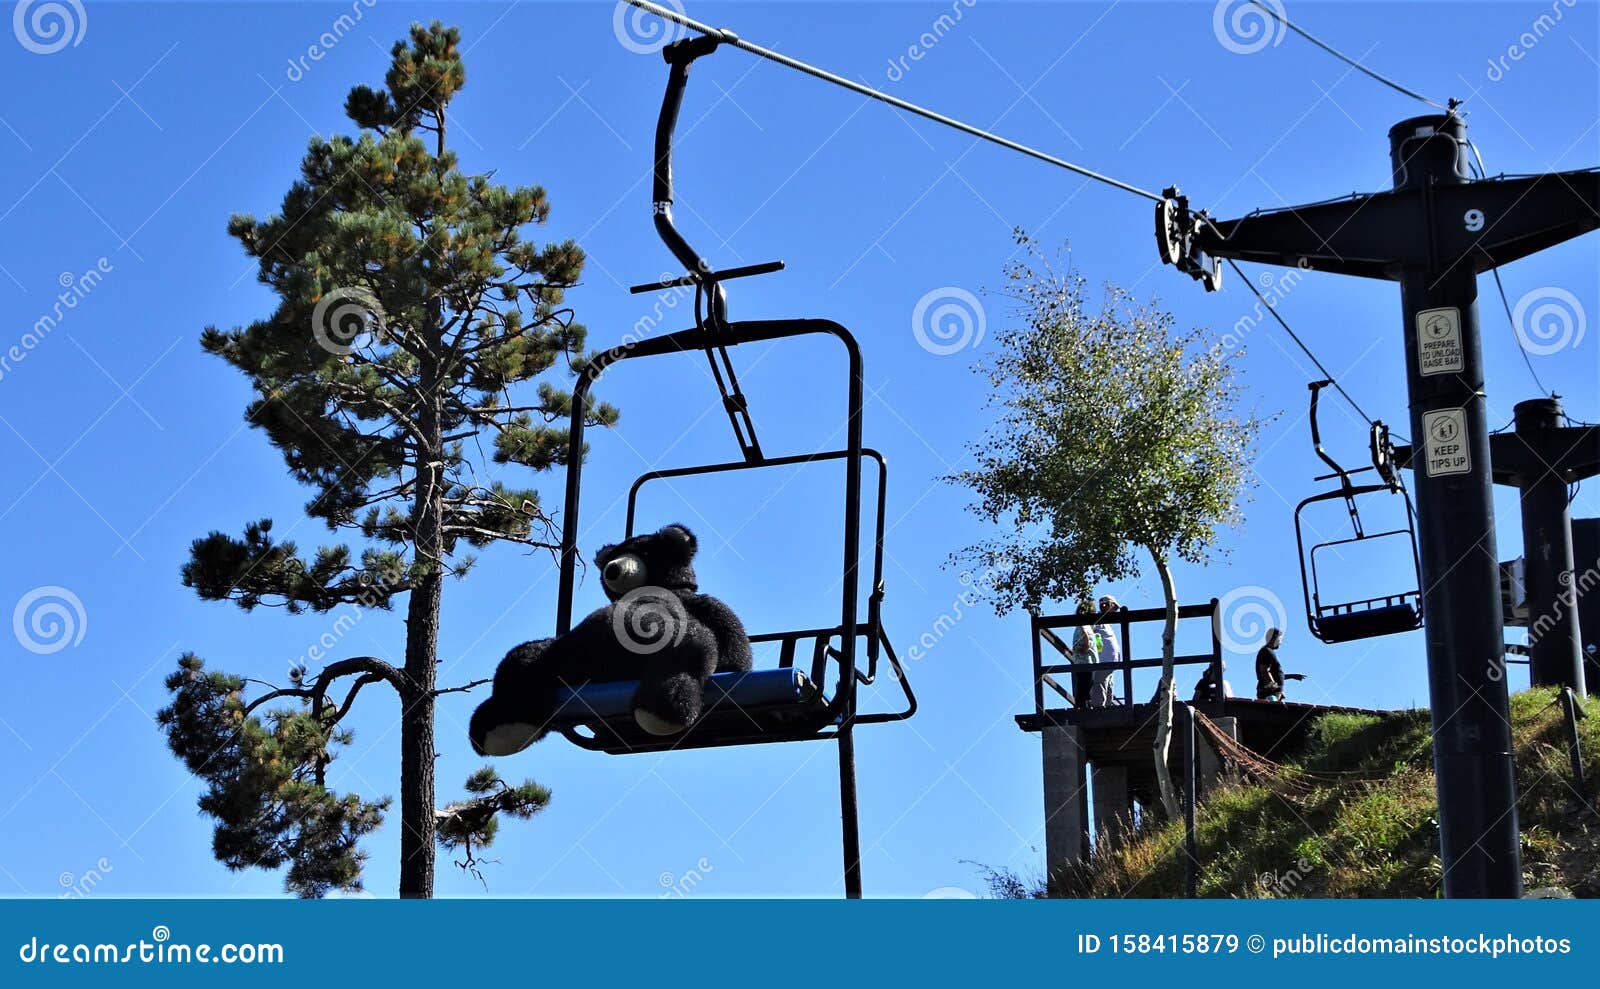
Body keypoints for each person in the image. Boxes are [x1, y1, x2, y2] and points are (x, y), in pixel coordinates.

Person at [1085, 594, 1122, 707]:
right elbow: (1092, 635)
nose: (1115, 610)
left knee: (1107, 683)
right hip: (1104, 658)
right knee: (1100, 682)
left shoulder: (1105, 622)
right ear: (1107, 605)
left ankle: (1107, 706)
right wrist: (1097, 649)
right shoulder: (1097, 619)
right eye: (1114, 607)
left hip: (1109, 659)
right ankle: (1099, 708)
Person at [1254, 627, 1305, 701]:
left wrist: (1292, 676)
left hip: (1270, 693)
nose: (1280, 642)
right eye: (1280, 639)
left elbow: (1275, 675)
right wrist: (1275, 689)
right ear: (1274, 638)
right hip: (1269, 693)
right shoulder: (1267, 651)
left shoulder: (1267, 651)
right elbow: (1264, 671)